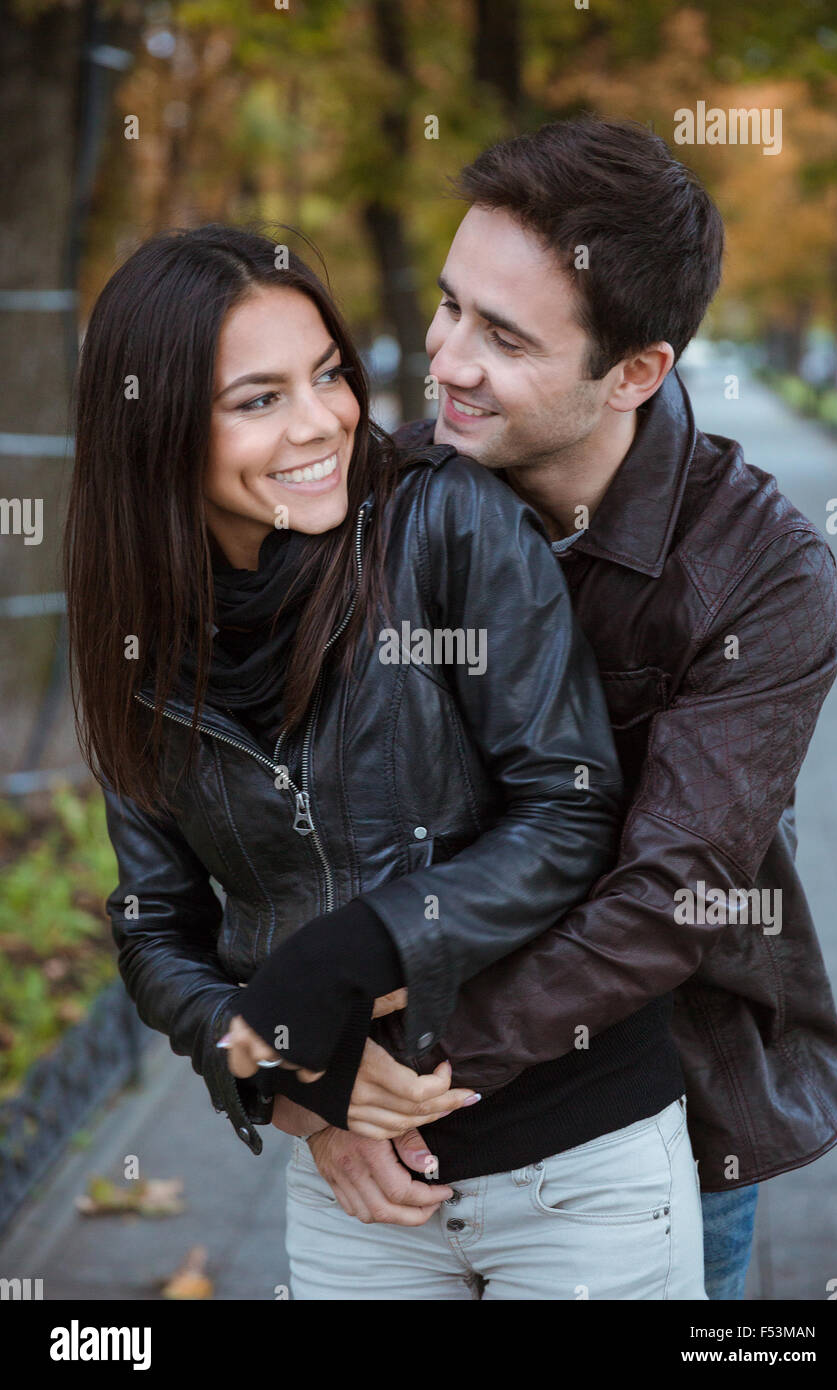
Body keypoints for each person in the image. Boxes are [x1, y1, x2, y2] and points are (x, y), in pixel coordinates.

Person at [64, 222, 704, 1300]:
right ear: (158, 430)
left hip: (576, 1169)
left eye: (326, 375)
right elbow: (154, 924)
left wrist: (352, 955)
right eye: (256, 399)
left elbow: (567, 810)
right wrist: (274, 1074)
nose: (321, 422)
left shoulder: (442, 520)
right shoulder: (135, 631)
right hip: (352, 1182)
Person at [271, 116, 837, 1302]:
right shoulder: (372, 507)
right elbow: (282, 822)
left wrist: (393, 1068)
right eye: (449, 308)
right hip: (390, 1148)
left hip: (660, 1116)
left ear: (633, 370)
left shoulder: (758, 569)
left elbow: (670, 895)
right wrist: (304, 1084)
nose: (446, 360)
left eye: (503, 337)